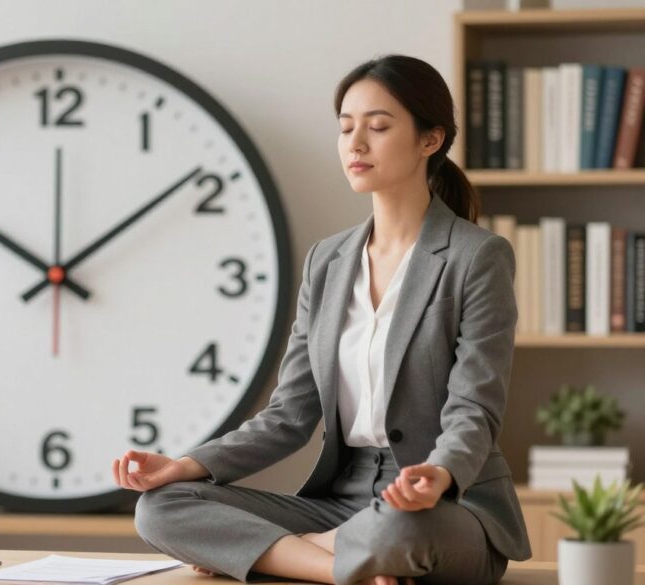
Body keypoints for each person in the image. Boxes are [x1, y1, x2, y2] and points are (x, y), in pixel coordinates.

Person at [111, 54, 533, 585]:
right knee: (161, 507)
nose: (356, 144)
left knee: (400, 529)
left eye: (378, 127)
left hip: (445, 506)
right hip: (342, 502)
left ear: (430, 140)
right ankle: (341, 566)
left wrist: (439, 475)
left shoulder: (476, 257)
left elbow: (475, 408)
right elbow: (288, 415)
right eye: (345, 128)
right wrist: (186, 466)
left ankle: (284, 554)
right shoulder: (326, 262)